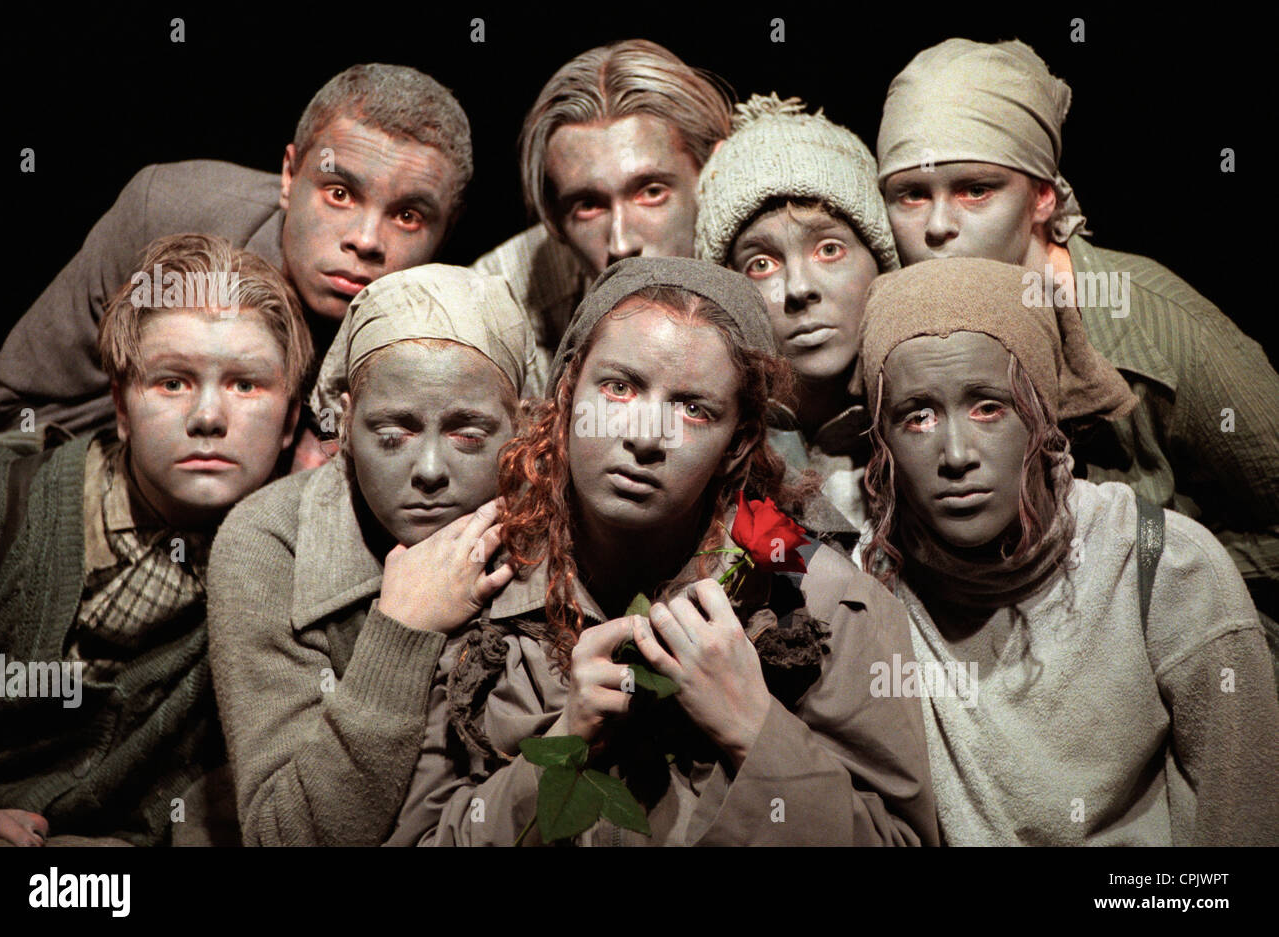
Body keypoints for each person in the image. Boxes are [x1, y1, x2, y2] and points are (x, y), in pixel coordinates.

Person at [387, 256, 938, 846]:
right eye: (619, 388)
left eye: (693, 409)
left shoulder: (821, 600)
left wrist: (755, 731)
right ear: (569, 391)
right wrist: (564, 742)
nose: (646, 436)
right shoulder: (476, 581)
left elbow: (900, 839)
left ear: (739, 443)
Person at [856, 257, 1279, 845]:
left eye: (988, 407)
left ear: (1044, 418)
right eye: (917, 417)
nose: (955, 454)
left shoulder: (1161, 565)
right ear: (884, 443)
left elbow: (1242, 825)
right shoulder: (869, 593)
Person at [875, 38, 1279, 628]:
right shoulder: (897, 331)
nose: (938, 226)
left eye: (976, 190)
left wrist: (1161, 575)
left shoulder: (1148, 320)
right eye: (911, 194)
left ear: (1043, 196)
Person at [0, 234, 311, 846]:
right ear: (121, 409)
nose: (208, 417)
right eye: (172, 382)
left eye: (245, 385)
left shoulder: (282, 580)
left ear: (291, 421)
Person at [0, 63, 471, 463]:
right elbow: (7, 408)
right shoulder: (168, 210)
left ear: (444, 234)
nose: (365, 241)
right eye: (339, 193)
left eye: (407, 216)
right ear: (288, 175)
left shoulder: (446, 334)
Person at [206, 265, 536, 845]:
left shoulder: (556, 537)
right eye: (393, 431)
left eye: (468, 434)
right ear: (345, 419)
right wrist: (402, 631)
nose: (430, 470)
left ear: (520, 426)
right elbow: (286, 835)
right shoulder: (271, 543)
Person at [473, 40, 732, 392]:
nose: (621, 244)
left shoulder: (776, 267)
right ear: (553, 219)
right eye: (588, 205)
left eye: (651, 192)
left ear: (713, 175)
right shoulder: (497, 305)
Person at [695, 93, 899, 531]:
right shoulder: (711, 463)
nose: (800, 288)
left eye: (829, 249)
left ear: (880, 261)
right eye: (762, 264)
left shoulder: (932, 424)